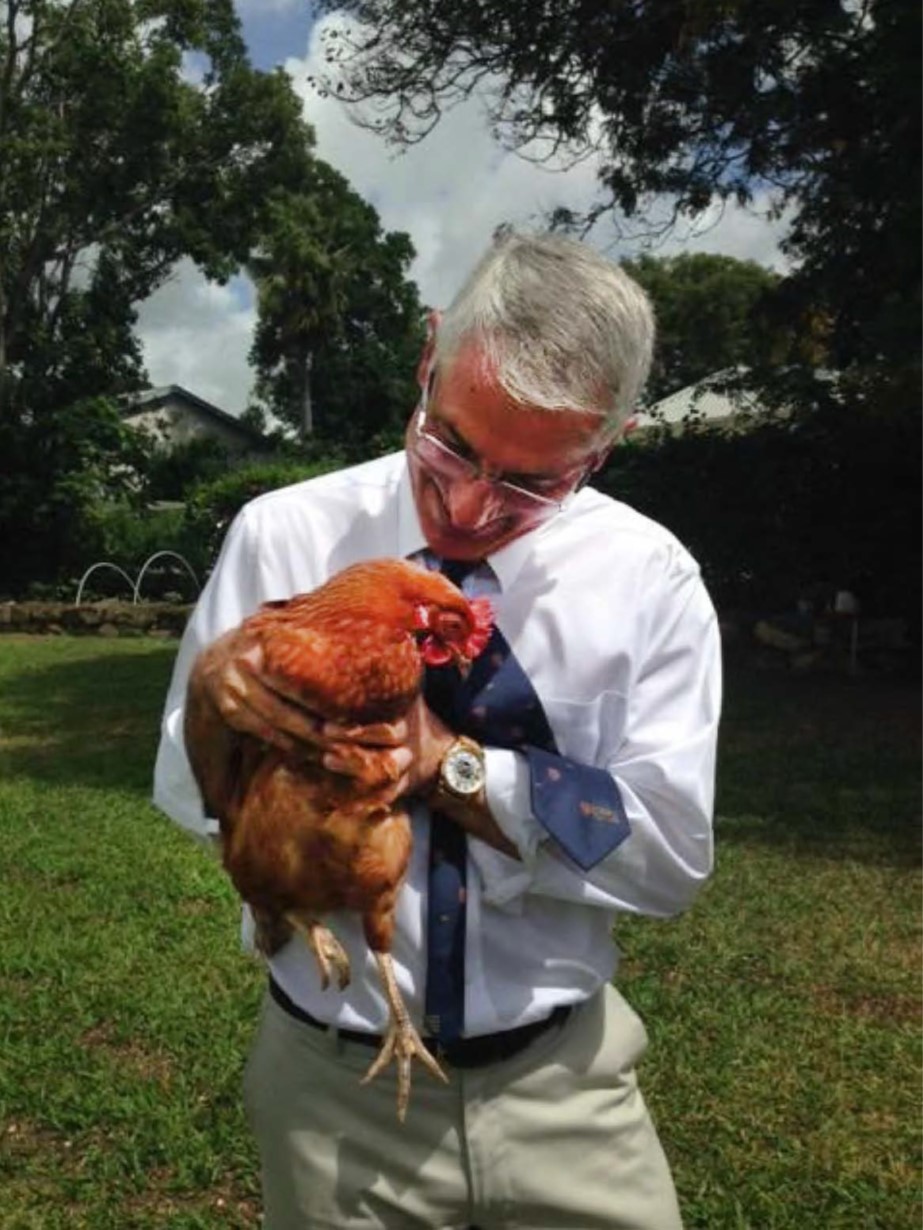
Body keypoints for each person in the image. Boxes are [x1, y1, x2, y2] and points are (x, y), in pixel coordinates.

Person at [153, 230, 721, 1229]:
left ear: (604, 447)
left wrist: (446, 764)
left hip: (562, 1085)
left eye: (530, 482)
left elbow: (668, 857)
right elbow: (184, 794)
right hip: (333, 1093)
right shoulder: (283, 535)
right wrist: (210, 705)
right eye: (450, 443)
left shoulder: (648, 580)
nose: (468, 504)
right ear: (427, 358)